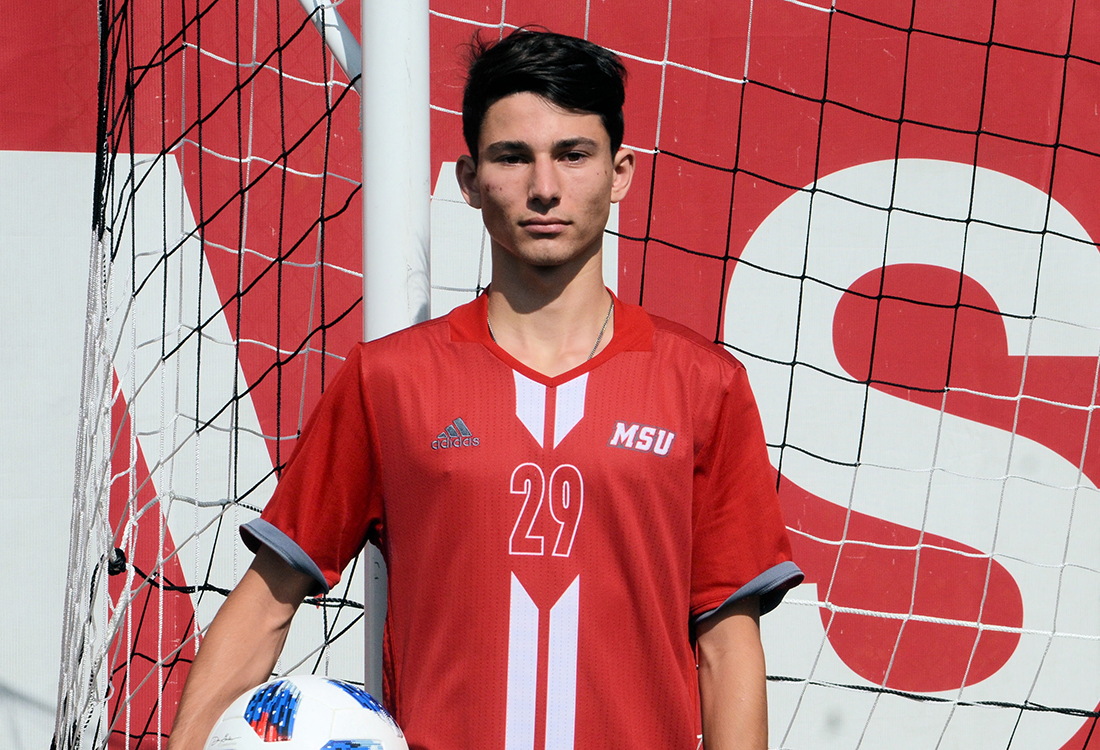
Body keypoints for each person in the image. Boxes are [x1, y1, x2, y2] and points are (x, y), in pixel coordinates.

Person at [167, 29, 802, 750]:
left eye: (573, 154)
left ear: (620, 172)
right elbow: (266, 602)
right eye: (512, 157)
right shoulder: (391, 380)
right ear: (470, 180)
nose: (543, 186)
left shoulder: (703, 385)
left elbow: (727, 644)